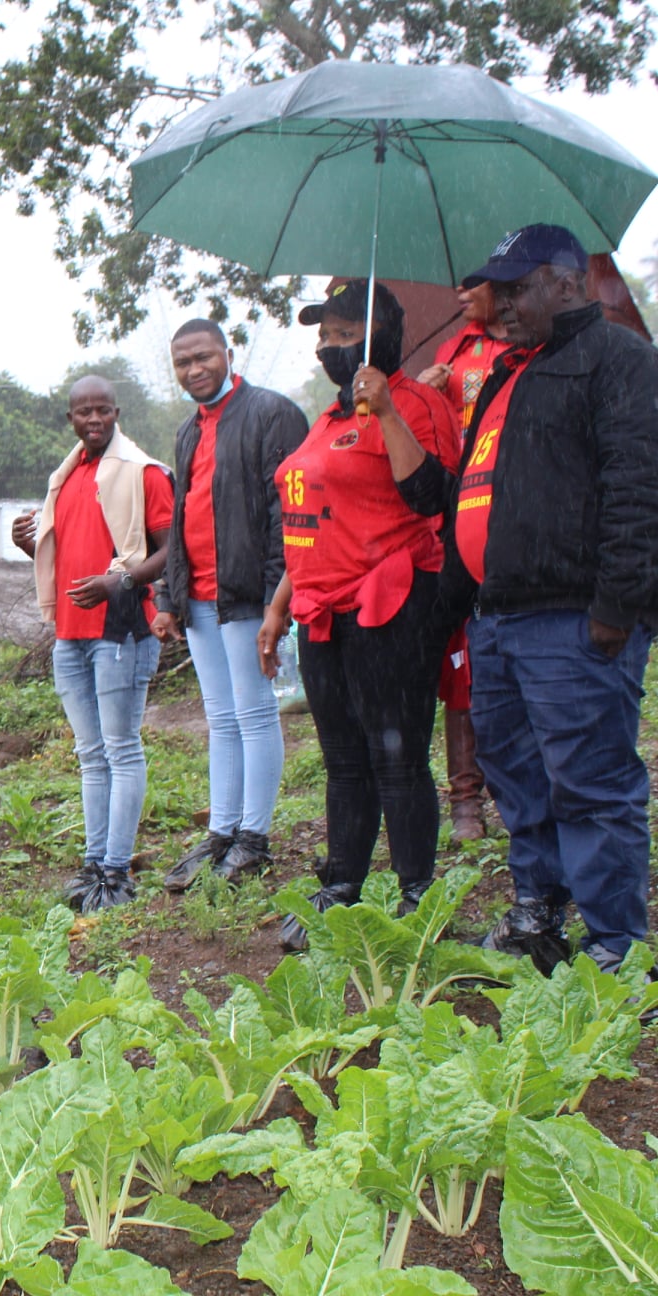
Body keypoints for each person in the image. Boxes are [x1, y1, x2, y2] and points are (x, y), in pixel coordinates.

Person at [398, 224, 658, 975]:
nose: (501, 304)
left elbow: (639, 490)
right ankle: (538, 914)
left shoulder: (621, 362)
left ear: (567, 282)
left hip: (575, 618)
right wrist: (449, 608)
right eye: (498, 289)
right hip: (498, 619)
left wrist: (617, 604)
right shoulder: (510, 373)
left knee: (590, 780)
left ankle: (615, 942)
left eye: (517, 287)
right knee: (517, 777)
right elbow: (472, 499)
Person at [257, 280, 460, 951]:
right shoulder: (327, 419)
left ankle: (415, 895)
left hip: (391, 604)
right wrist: (278, 606)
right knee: (344, 760)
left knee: (395, 754)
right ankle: (341, 885)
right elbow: (310, 521)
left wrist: (390, 410)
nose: (330, 348)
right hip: (321, 613)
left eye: (346, 334)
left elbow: (432, 495)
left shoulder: (417, 403)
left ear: (383, 337)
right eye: (325, 336)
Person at [155, 319, 309, 892]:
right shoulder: (187, 432)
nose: (194, 370)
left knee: (254, 712)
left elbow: (286, 515)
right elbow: (179, 515)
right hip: (199, 599)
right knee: (220, 718)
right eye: (183, 363)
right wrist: (169, 596)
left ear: (227, 352)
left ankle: (254, 838)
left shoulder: (272, 414)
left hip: (249, 596)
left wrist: (278, 602)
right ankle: (222, 832)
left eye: (203, 357)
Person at [13, 376, 171, 913]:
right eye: (84, 412)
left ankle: (116, 871)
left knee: (121, 749)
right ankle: (94, 864)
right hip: (70, 634)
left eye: (103, 410)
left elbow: (173, 550)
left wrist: (121, 581)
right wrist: (28, 544)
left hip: (120, 629)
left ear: (117, 413)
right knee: (90, 755)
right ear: (71, 419)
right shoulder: (69, 475)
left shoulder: (141, 472)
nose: (94, 420)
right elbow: (69, 545)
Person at [417, 280, 514, 842]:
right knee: (461, 666)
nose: (459, 292)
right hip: (462, 517)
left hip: (520, 522)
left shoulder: (530, 346)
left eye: (472, 282)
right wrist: (432, 393)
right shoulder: (454, 352)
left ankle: (519, 793)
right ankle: (465, 802)